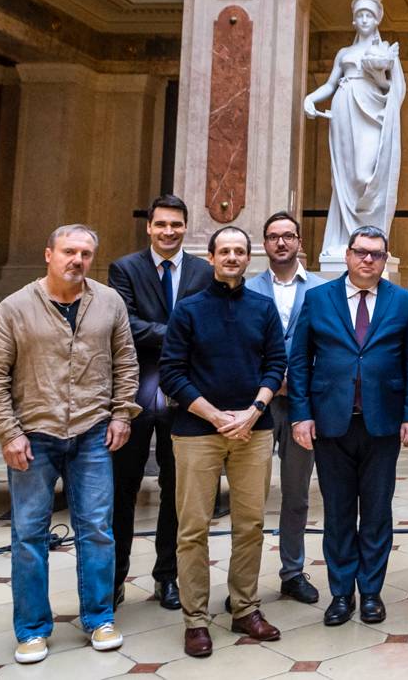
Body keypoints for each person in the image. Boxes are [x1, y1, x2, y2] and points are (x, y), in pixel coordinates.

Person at [0, 224, 138, 665]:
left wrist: (122, 413)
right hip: (34, 435)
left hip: (91, 434)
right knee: (29, 533)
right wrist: (8, 432)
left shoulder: (109, 303)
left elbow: (126, 362)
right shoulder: (15, 308)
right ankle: (31, 629)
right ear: (49, 254)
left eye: (86, 253)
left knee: (97, 530)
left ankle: (100, 617)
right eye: (69, 251)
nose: (77, 260)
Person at [288, 225, 408, 627]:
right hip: (332, 423)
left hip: (382, 424)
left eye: (376, 254)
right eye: (361, 252)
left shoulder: (402, 301)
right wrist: (301, 414)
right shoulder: (318, 299)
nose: (368, 259)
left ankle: (371, 593)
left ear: (385, 260)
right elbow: (299, 361)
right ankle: (341, 593)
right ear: (347, 255)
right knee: (339, 512)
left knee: (378, 512)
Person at [159, 226, 287, 658]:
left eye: (239, 250)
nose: (232, 257)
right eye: (224, 251)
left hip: (253, 429)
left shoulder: (263, 308)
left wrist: (252, 410)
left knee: (249, 525)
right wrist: (215, 416)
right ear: (211, 257)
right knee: (193, 528)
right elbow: (172, 372)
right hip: (198, 432)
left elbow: (276, 363)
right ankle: (195, 619)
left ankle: (244, 607)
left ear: (249, 258)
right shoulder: (188, 310)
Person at [106, 194, 213, 610]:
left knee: (178, 491)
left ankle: (166, 577)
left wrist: (178, 334)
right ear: (149, 227)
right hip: (134, 392)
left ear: (187, 227)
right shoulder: (126, 269)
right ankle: (114, 579)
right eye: (161, 224)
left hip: (187, 394)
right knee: (124, 488)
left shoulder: (203, 271)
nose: (169, 231)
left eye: (177, 224)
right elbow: (125, 324)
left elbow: (211, 320)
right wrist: (181, 332)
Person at [244, 211, 326, 605]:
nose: (281, 242)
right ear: (265, 243)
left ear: (299, 242)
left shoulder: (322, 289)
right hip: (255, 406)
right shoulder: (246, 289)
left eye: (288, 236)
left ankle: (292, 572)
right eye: (274, 236)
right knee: (250, 497)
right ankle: (244, 582)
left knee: (296, 494)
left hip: (301, 405)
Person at [304, 0, 405, 265]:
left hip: (373, 110)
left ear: (377, 19)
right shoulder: (344, 54)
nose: (364, 20)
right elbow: (330, 84)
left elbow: (390, 88)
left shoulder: (383, 49)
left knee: (365, 173)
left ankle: (371, 238)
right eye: (360, 15)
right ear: (354, 19)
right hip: (344, 109)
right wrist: (310, 98)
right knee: (345, 177)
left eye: (369, 15)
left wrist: (377, 74)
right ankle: (345, 240)